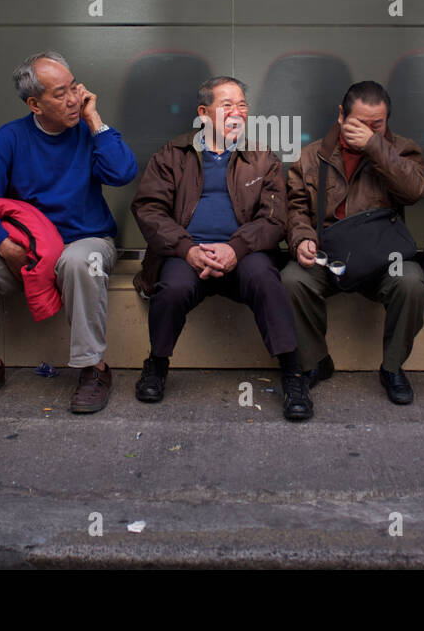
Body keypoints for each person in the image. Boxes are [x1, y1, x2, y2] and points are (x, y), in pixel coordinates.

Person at [0, 51, 137, 413]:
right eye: (60, 93)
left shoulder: (88, 131)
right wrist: (3, 244)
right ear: (35, 103)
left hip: (84, 241)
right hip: (27, 251)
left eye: (74, 89)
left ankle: (94, 368)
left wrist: (94, 118)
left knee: (82, 260)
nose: (72, 100)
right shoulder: (10, 138)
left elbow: (123, 173)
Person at [130, 77, 311, 420]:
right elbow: (148, 210)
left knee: (266, 280)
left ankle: (293, 373)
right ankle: (157, 363)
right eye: (227, 104)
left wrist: (235, 249)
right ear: (203, 112)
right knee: (173, 288)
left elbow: (275, 219)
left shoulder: (261, 158)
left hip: (244, 255)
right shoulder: (174, 154)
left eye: (242, 105)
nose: (237, 112)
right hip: (187, 254)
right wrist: (187, 249)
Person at [281, 82, 424, 407]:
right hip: (328, 255)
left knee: (412, 282)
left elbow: (416, 191)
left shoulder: (401, 150)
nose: (368, 130)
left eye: (378, 124)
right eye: (360, 123)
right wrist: (302, 238)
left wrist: (376, 147)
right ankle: (316, 360)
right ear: (341, 116)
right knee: (292, 280)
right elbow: (295, 209)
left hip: (379, 257)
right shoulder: (311, 156)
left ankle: (392, 368)